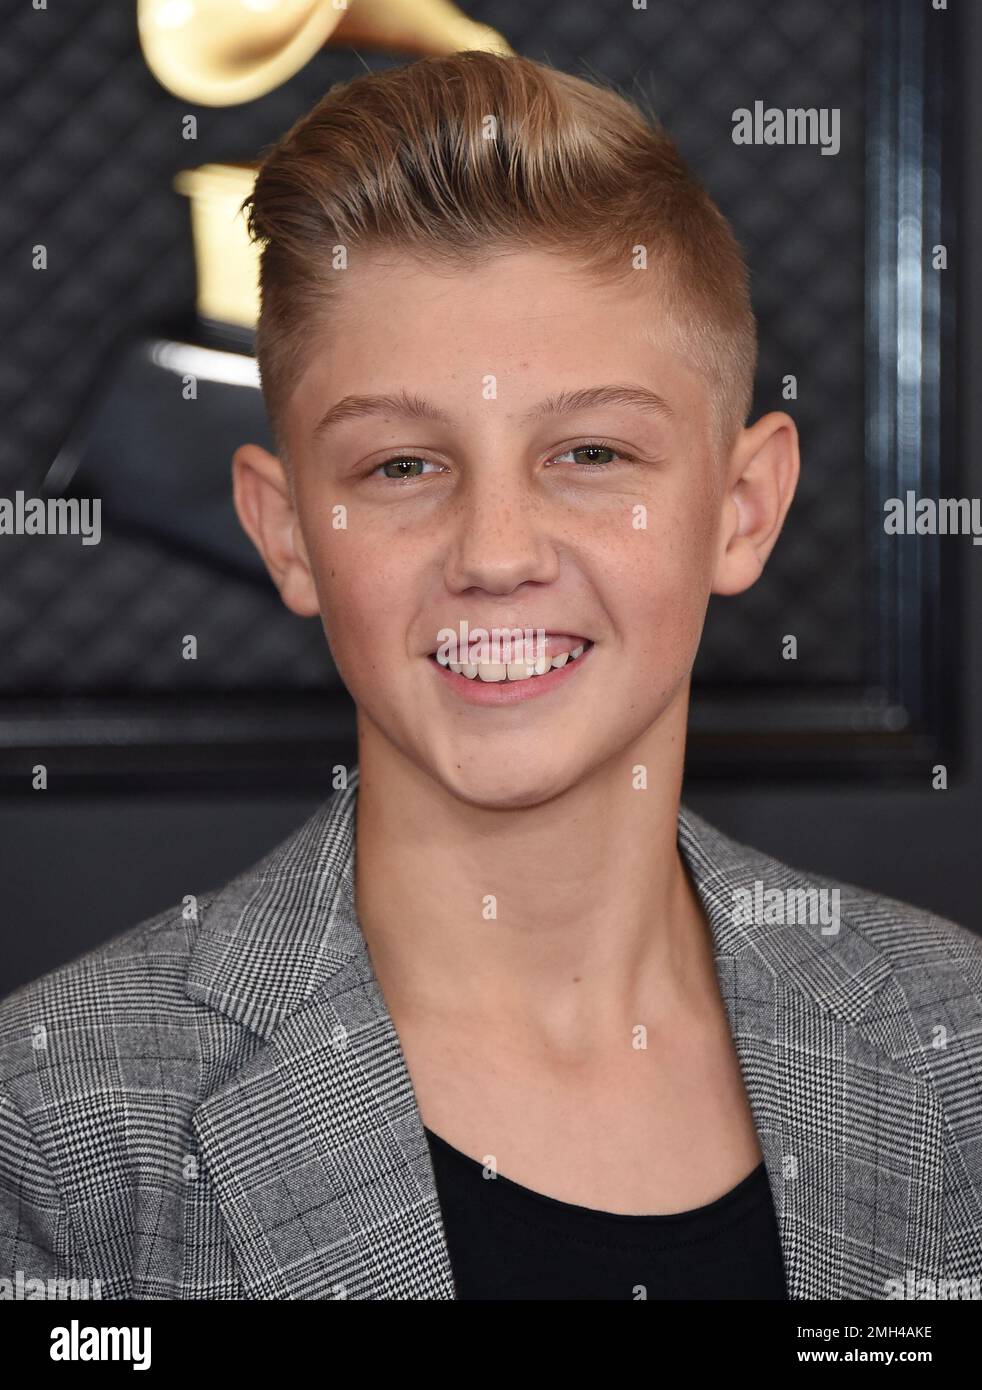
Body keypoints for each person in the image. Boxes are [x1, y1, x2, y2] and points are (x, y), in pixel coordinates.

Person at [2, 51, 980, 1303]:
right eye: (403, 466)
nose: (497, 554)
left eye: (587, 450)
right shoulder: (58, 1128)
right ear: (287, 528)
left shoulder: (953, 1046)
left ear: (741, 509)